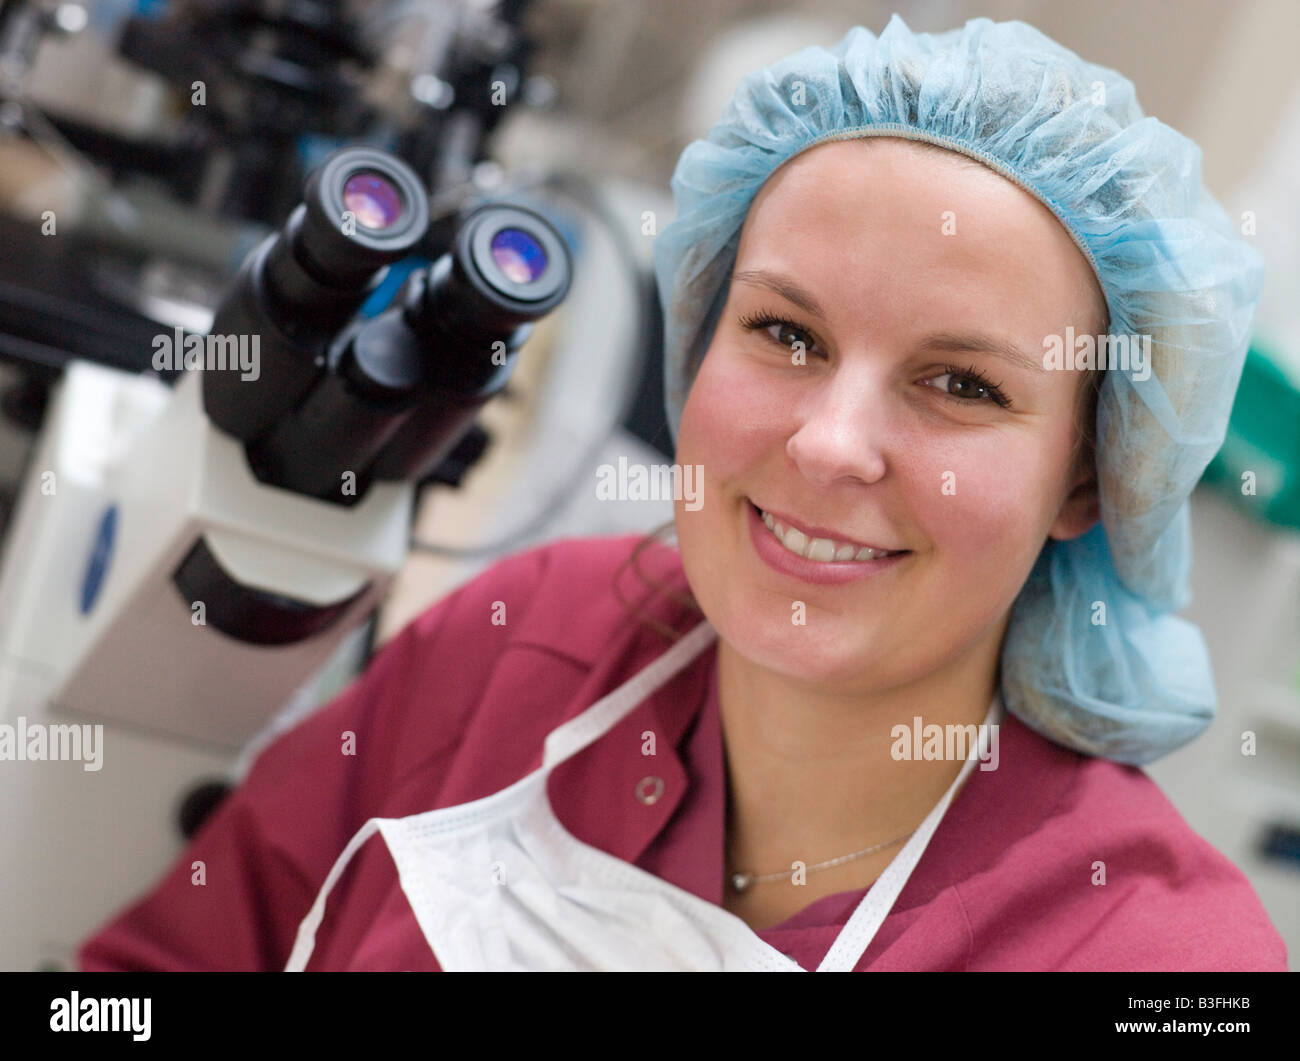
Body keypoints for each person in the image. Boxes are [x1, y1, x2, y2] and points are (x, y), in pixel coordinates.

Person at [79, 15, 1287, 971]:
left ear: (1086, 479)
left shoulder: (1146, 949)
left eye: (960, 383)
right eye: (786, 333)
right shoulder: (530, 642)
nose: (828, 445)